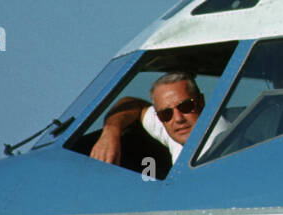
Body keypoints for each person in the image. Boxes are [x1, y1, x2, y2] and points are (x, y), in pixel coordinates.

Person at [91, 72, 226, 169]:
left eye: (186, 106)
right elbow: (131, 104)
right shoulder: (176, 130)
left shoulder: (224, 135)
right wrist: (111, 132)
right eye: (166, 114)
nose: (178, 119)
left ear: (201, 102)